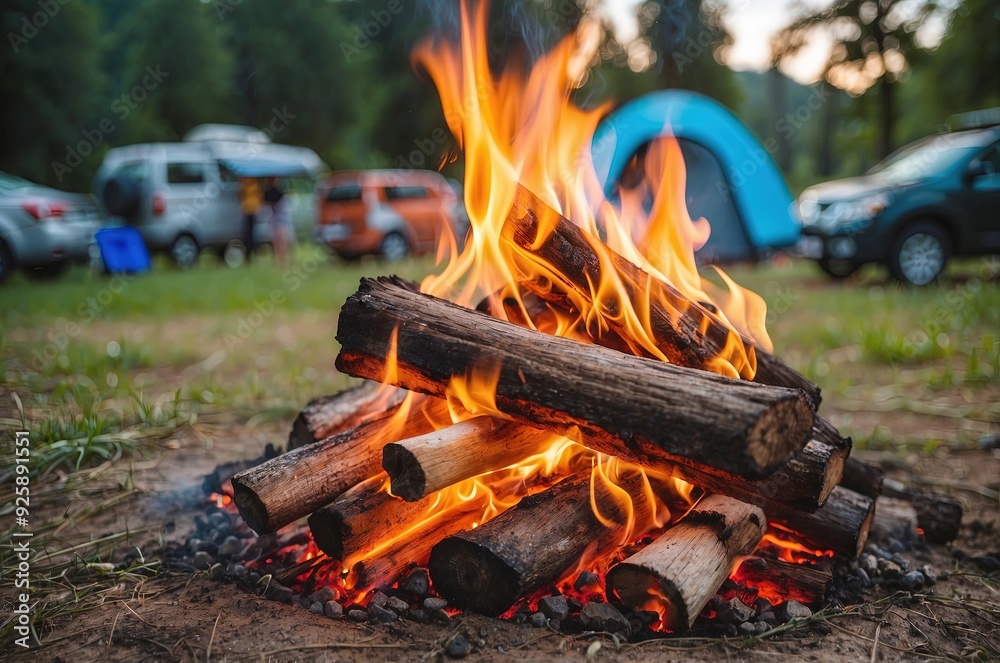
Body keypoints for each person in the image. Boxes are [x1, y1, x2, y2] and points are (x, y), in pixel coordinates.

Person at [263, 176, 291, 268]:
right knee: (279, 241)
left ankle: (282, 260)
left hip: (279, 219)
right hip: (276, 219)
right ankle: (279, 261)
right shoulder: (275, 193)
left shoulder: (276, 194)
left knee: (280, 241)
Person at [239, 177, 262, 264]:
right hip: (247, 211)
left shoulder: (253, 185)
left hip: (252, 211)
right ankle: (249, 252)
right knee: (248, 233)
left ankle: (252, 251)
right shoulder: (245, 184)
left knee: (251, 233)